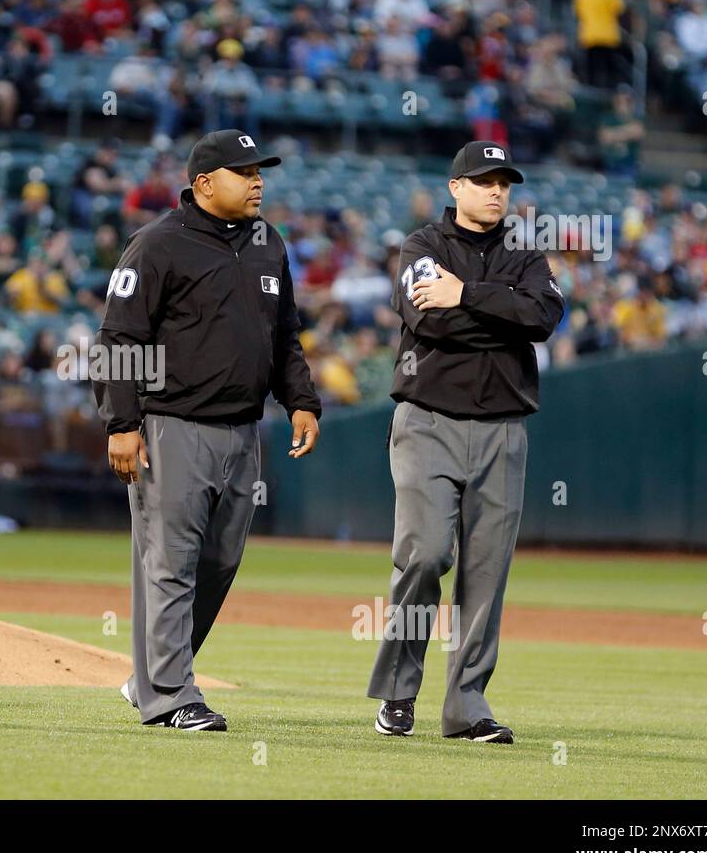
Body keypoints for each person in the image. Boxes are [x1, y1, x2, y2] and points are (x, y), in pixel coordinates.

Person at [92, 129, 322, 731]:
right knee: (170, 562)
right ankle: (170, 695)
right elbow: (119, 339)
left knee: (218, 562)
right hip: (174, 425)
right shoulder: (158, 244)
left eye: (260, 170)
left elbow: (284, 334)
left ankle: (151, 676)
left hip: (244, 432)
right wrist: (122, 422)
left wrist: (300, 398)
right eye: (244, 172)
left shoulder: (268, 243)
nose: (257, 181)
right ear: (202, 184)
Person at [370, 142, 564, 743]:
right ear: (456, 187)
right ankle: (399, 693)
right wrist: (500, 317)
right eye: (483, 180)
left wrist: (469, 296)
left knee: (486, 573)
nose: (496, 190)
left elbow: (544, 317)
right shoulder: (423, 247)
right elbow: (429, 319)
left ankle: (466, 705)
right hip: (429, 421)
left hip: (505, 428)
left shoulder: (525, 254)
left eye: (503, 181)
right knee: (424, 554)